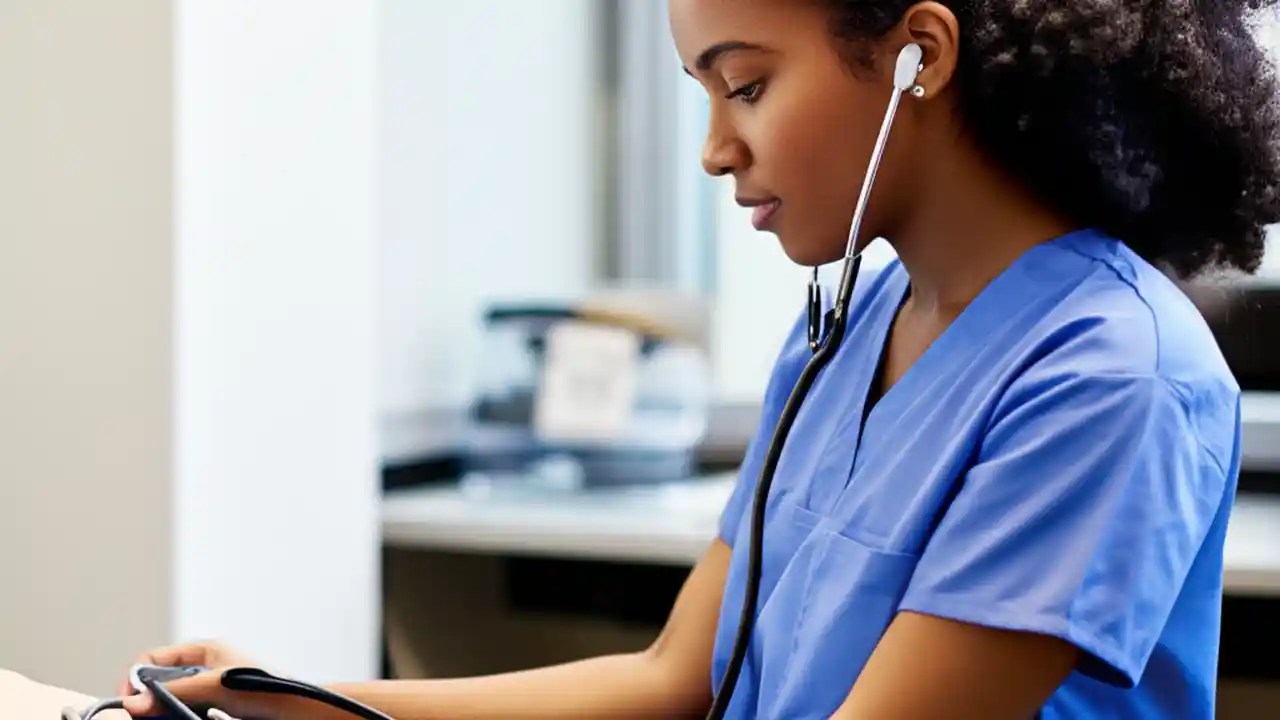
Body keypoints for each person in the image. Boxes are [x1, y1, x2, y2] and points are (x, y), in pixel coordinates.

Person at [120, 1, 1280, 718]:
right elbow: (677, 676)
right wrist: (288, 701)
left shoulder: (1110, 377)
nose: (716, 150)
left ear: (917, 56)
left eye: (746, 85)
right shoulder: (844, 329)